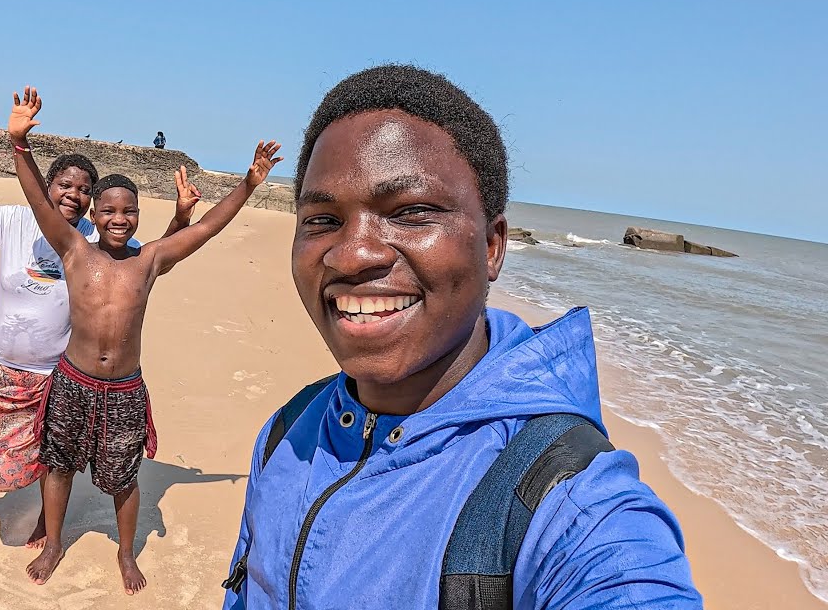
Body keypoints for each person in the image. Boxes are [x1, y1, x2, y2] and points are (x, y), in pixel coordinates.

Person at [222, 65, 703, 609]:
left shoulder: (568, 505)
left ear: (493, 246)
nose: (353, 254)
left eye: (410, 213)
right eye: (322, 219)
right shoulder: (289, 432)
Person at [5, 86, 281, 595]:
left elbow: (207, 231)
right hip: (72, 381)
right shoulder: (72, 250)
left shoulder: (149, 259)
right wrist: (19, 144)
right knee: (59, 465)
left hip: (125, 390)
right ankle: (52, 543)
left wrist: (248, 184)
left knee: (124, 477)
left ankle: (126, 552)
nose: (118, 218)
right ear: (93, 215)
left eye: (128, 211)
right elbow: (35, 199)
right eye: (108, 209)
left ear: (138, 215)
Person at [0, 124, 201, 546]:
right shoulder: (12, 220)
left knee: (50, 455)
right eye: (65, 184)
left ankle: (49, 521)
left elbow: (152, 262)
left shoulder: (98, 240)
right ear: (48, 186)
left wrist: (180, 218)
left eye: (84, 189)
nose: (73, 194)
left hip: (56, 372)